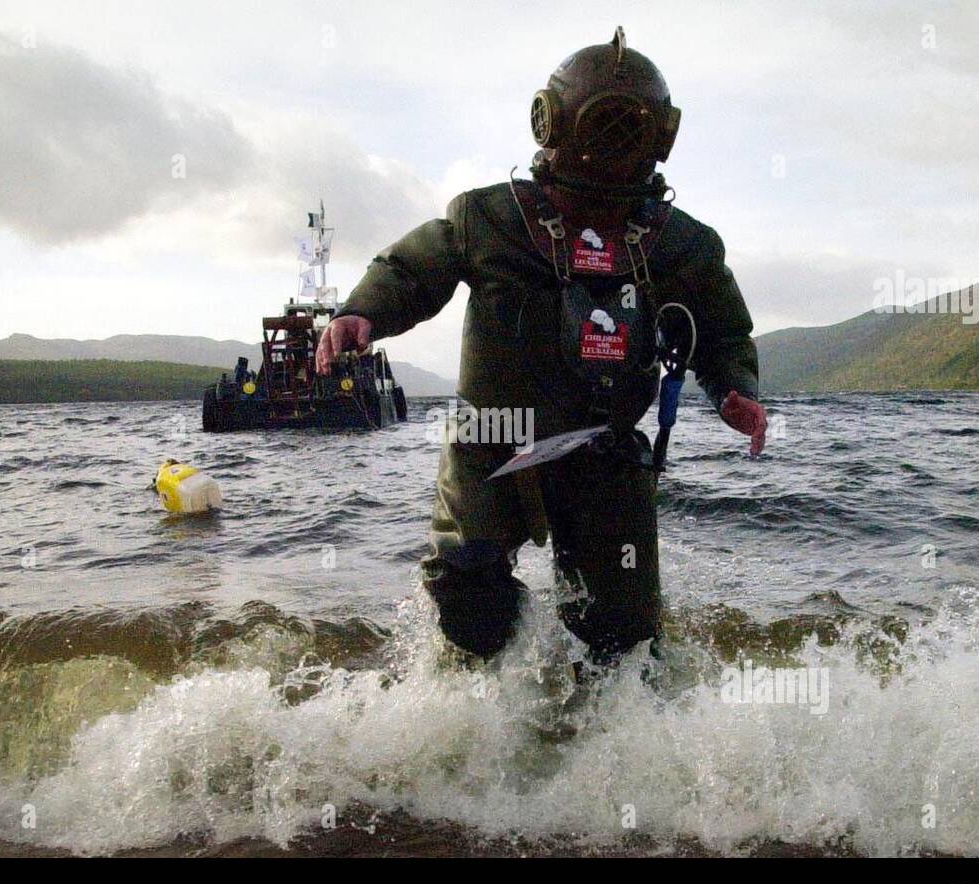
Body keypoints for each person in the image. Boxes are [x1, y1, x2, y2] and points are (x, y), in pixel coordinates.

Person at [318, 28, 766, 665]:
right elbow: (415, 267)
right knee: (469, 602)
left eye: (628, 128)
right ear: (555, 125)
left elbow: (721, 332)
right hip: (492, 439)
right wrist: (363, 312)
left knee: (624, 646)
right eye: (604, 125)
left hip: (603, 448)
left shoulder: (682, 245)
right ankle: (520, 673)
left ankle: (598, 732)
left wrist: (735, 391)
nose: (613, 142)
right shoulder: (489, 218)